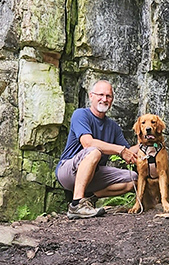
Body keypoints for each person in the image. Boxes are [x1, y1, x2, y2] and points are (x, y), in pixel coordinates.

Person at [55, 80, 139, 219]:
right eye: (100, 94)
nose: (104, 99)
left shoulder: (113, 126)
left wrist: (148, 144)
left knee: (133, 179)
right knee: (94, 151)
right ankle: (76, 205)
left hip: (94, 174)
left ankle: (89, 200)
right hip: (68, 170)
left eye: (108, 96)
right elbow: (88, 143)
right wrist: (120, 150)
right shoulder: (80, 114)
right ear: (91, 96)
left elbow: (128, 152)